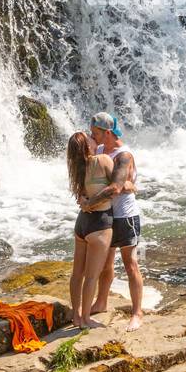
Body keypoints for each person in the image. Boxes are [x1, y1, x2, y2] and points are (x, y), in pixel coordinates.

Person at [81, 111, 144, 331]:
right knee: (106, 265)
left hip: (125, 216)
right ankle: (101, 301)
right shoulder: (98, 150)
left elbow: (117, 187)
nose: (92, 136)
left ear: (107, 132)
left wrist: (90, 203)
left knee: (130, 264)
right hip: (106, 215)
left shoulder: (124, 155)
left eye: (95, 132)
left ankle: (137, 313)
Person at [66, 131, 114, 329]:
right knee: (92, 275)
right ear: (87, 146)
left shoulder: (76, 168)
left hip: (82, 223)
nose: (93, 138)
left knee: (77, 273)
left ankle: (76, 315)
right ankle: (85, 320)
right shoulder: (102, 160)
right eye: (89, 137)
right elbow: (116, 186)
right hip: (100, 223)